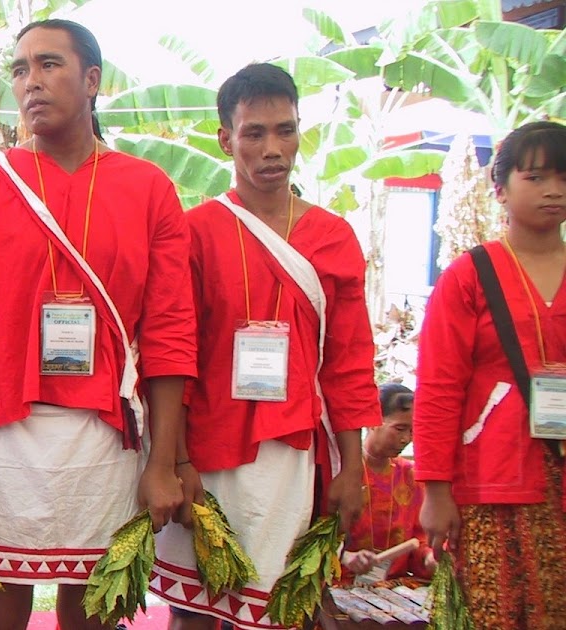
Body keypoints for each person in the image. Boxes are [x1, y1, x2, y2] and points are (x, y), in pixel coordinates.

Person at [0, 19, 197, 630]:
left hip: (107, 431)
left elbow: (170, 333)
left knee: (93, 604)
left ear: (92, 80)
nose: (31, 83)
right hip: (4, 428)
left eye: (49, 65)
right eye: (20, 70)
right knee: (2, 599)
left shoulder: (149, 188)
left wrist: (164, 463)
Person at [151, 63, 374, 630]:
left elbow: (348, 363)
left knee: (283, 612)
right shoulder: (195, 231)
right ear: (226, 138)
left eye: (286, 130)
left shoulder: (333, 237)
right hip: (206, 452)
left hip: (295, 454)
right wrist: (174, 460)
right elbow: (172, 351)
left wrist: (353, 469)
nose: (273, 148)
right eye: (255, 133)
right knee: (195, 613)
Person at [416, 120, 566, 629]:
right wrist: (435, 490)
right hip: (491, 482)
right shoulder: (470, 275)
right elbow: (438, 388)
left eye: (564, 176)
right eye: (536, 177)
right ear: (499, 190)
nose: (554, 190)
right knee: (495, 613)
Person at [341, 383, 435, 581]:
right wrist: (345, 556)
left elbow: (420, 539)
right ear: (373, 422)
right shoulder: (342, 470)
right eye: (399, 429)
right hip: (341, 583)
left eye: (412, 431)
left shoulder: (411, 475)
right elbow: (312, 541)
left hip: (394, 587)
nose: (406, 439)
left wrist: (429, 558)